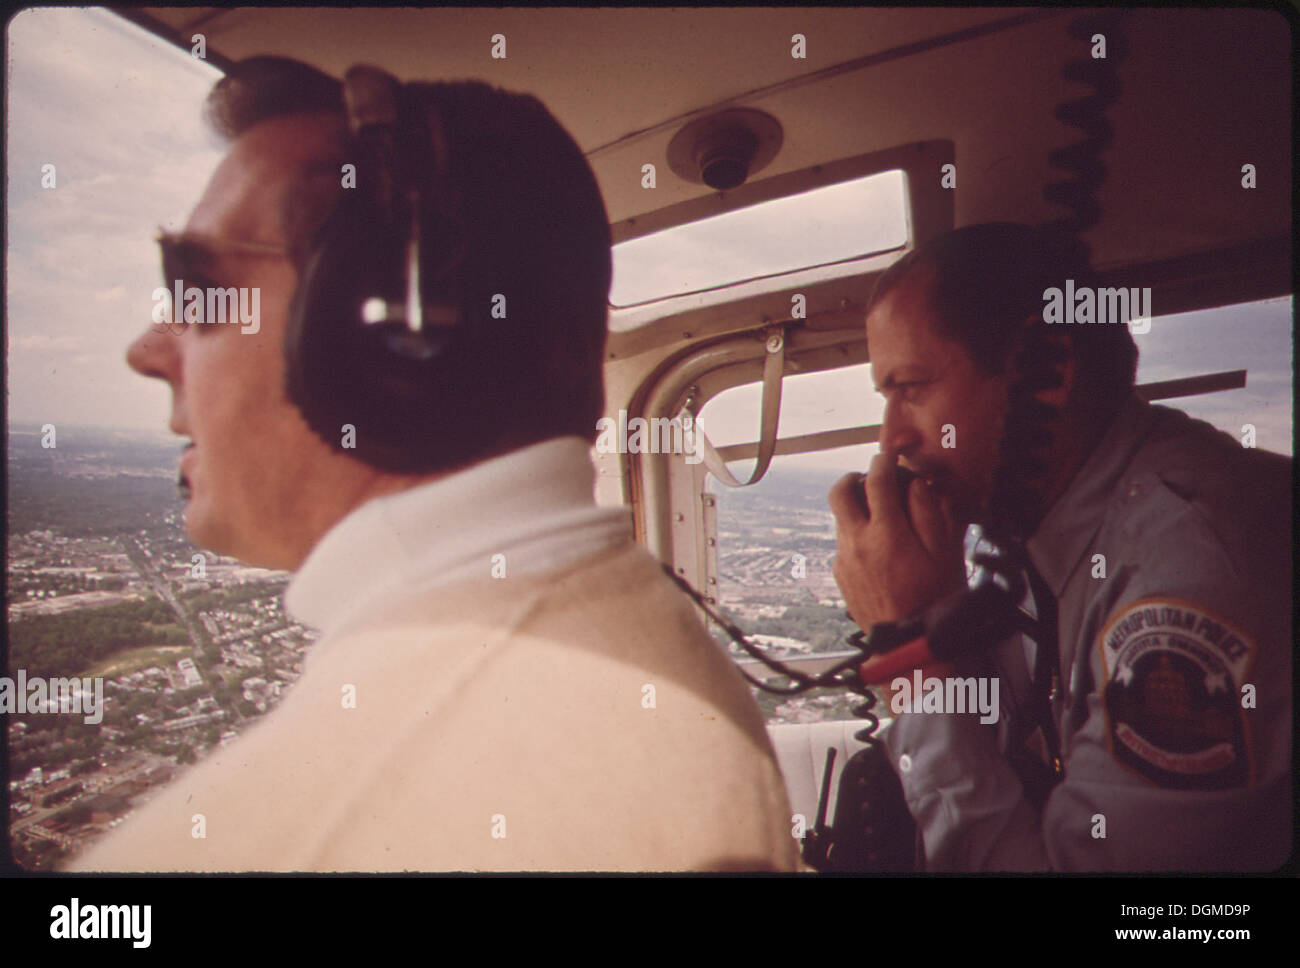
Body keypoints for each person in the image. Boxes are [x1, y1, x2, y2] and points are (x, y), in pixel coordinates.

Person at [69, 57, 799, 872]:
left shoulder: (268, 845)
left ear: (384, 341)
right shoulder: (644, 627)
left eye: (194, 287)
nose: (145, 351)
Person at [828, 223, 1291, 871]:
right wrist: (938, 615)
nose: (891, 439)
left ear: (1045, 375)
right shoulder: (1038, 527)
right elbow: (1005, 756)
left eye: (911, 388)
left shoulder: (1190, 574)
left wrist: (908, 658)